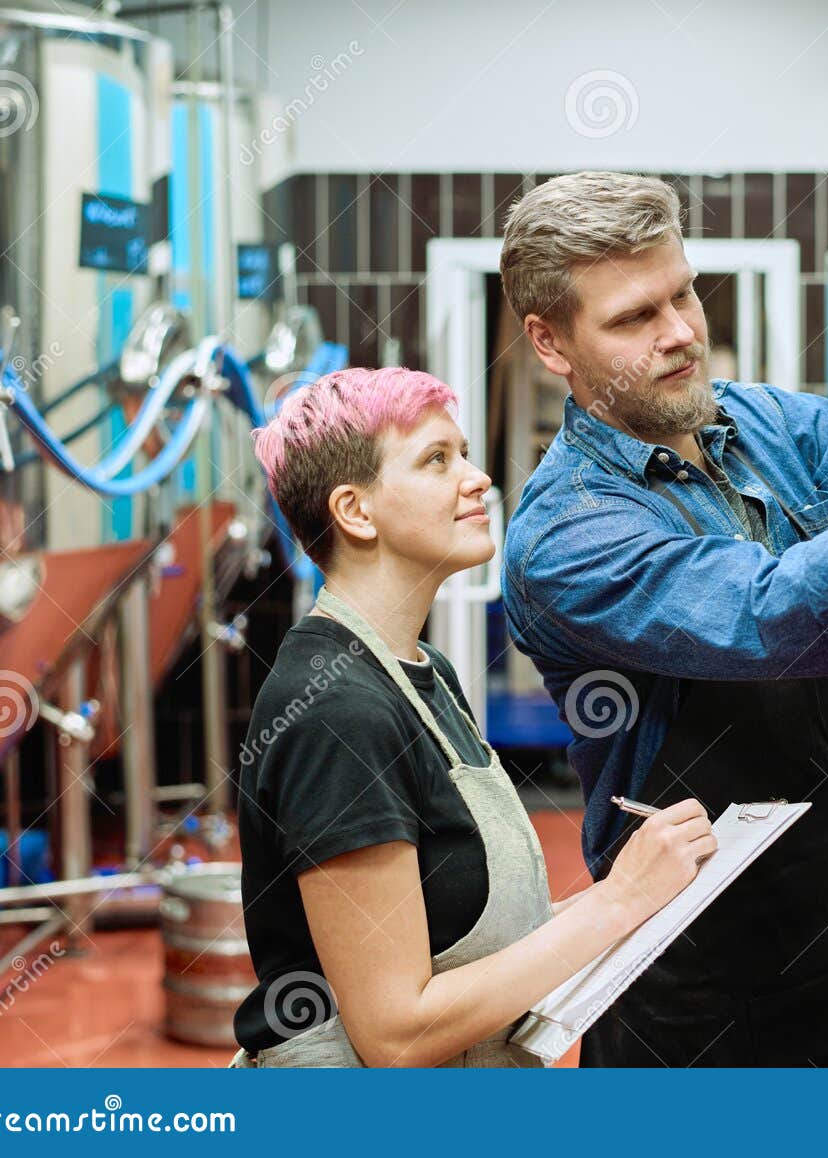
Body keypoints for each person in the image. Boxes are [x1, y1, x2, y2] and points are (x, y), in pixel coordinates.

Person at [501, 172, 828, 1066]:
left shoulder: (770, 425)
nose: (680, 331)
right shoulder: (564, 533)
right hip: (691, 986)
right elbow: (772, 618)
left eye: (682, 292)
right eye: (634, 317)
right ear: (550, 341)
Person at [230, 366, 714, 1068]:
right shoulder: (336, 711)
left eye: (463, 452)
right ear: (356, 512)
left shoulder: (424, 673)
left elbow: (481, 946)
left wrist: (635, 893)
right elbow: (395, 1035)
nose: (479, 477)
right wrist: (621, 901)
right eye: (436, 460)